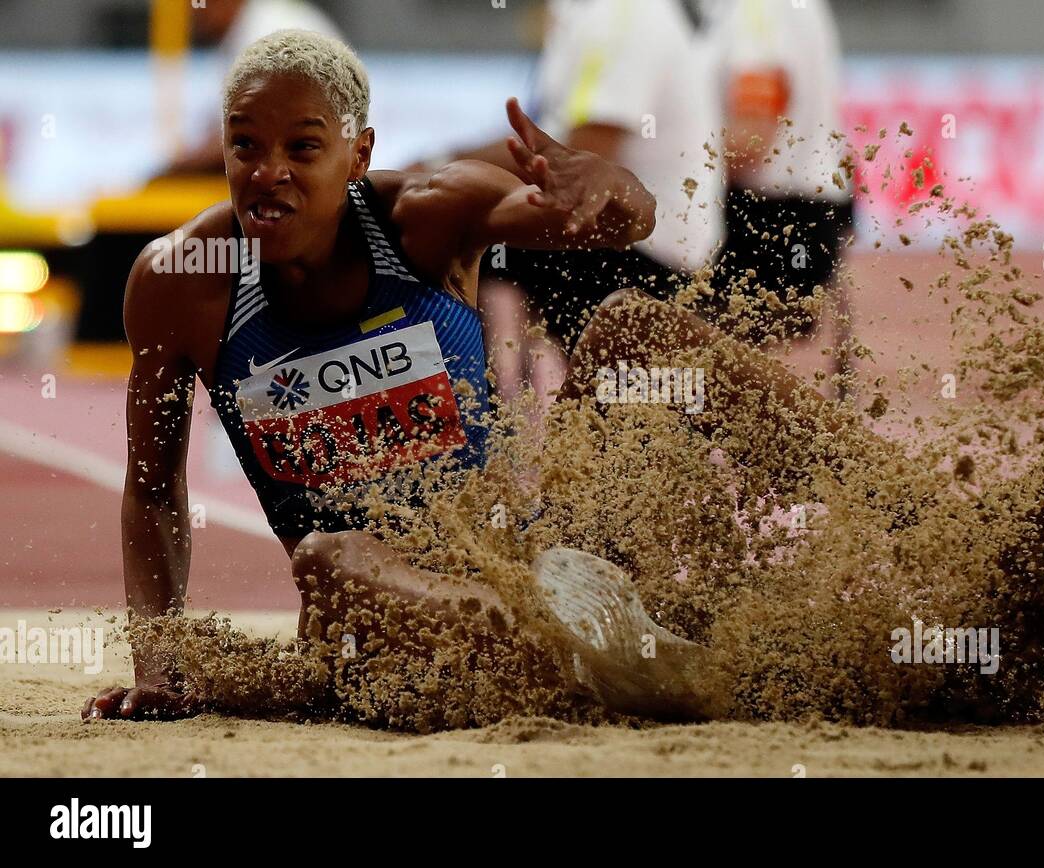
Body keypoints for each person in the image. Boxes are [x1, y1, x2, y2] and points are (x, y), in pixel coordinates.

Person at [81, 29, 861, 724]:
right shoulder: (181, 281)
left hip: (544, 572)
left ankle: (900, 508)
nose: (268, 173)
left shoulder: (428, 215)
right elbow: (152, 488)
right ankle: (594, 664)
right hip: (387, 640)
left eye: (302, 149)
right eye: (244, 145)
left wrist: (609, 186)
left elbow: (624, 220)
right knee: (328, 557)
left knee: (633, 326)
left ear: (358, 155)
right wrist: (159, 668)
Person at [418, 0, 726, 401]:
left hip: (647, 259)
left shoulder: (624, 16)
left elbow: (579, 160)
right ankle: (492, 407)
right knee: (462, 220)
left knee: (453, 233)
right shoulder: (594, 15)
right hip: (629, 244)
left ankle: (488, 415)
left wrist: (437, 168)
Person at [707, 0, 855, 392]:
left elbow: (752, 138)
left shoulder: (755, 13)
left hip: (774, 221)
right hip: (815, 211)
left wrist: (663, 164)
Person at [161, 0, 342, 176]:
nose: (192, 11)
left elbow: (260, 133)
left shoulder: (270, 31)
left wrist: (175, 171)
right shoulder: (241, 32)